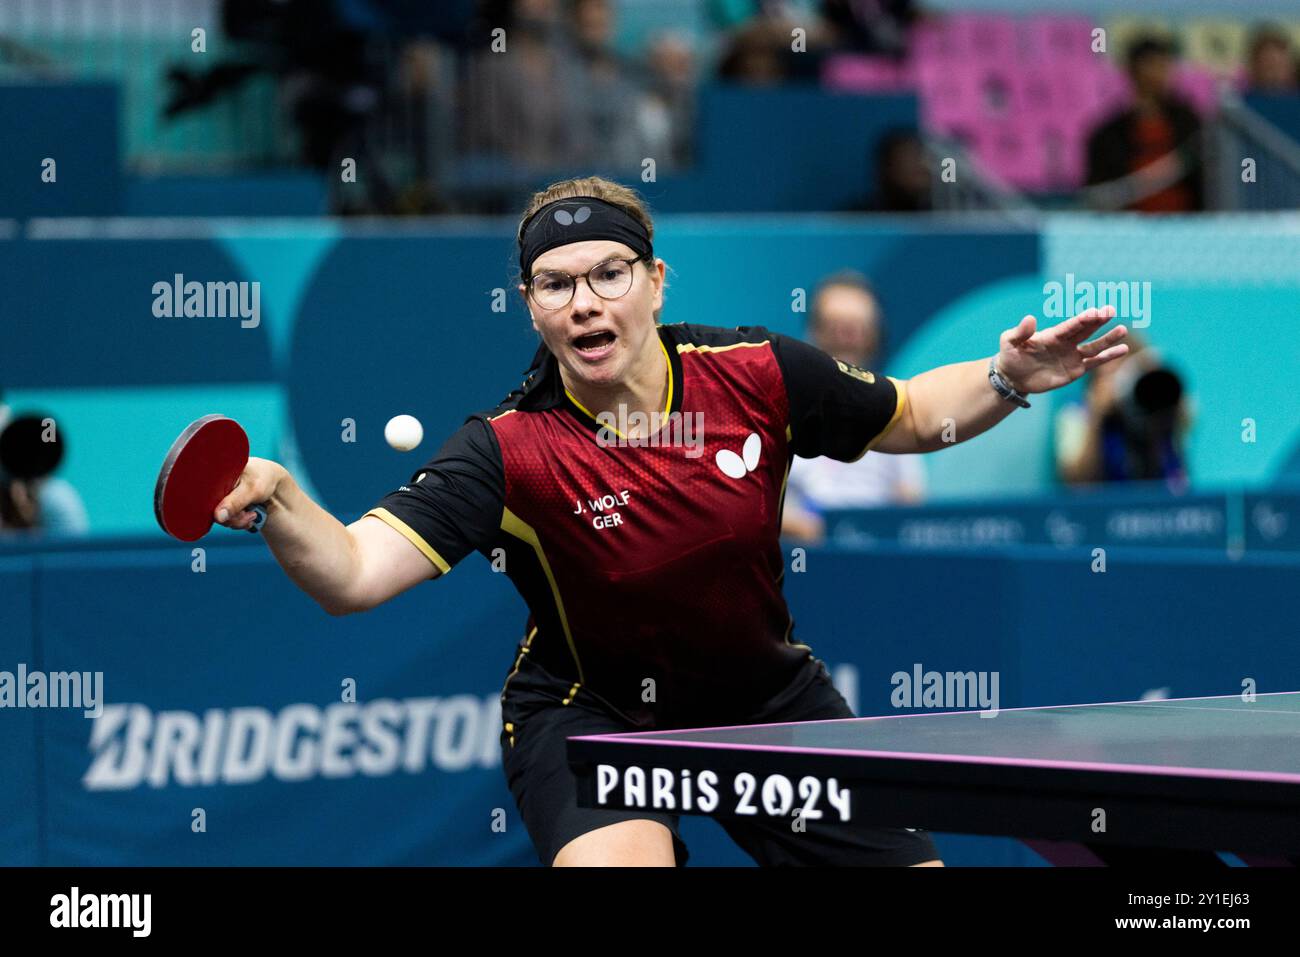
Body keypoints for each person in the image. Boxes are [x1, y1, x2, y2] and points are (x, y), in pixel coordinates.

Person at [214, 176, 1129, 866]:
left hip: (764, 701)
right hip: (592, 715)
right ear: (531, 307)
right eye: (555, 283)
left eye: (609, 272)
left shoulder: (757, 373)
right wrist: (287, 500)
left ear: (654, 281)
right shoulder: (508, 451)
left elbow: (914, 413)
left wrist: (1010, 379)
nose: (585, 301)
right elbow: (352, 575)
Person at [782, 271, 925, 545]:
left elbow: (910, 503)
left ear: (875, 335)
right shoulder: (780, 403)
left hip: (875, 557)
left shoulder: (896, 405)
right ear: (813, 331)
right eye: (835, 327)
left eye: (858, 329)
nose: (847, 340)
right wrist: (797, 526)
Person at [1085, 35, 1204, 213]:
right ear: (1133, 70)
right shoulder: (1108, 135)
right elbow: (1100, 193)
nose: (1158, 74)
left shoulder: (1189, 125)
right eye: (1151, 65)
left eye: (1163, 66)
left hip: (1186, 227)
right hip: (1130, 231)